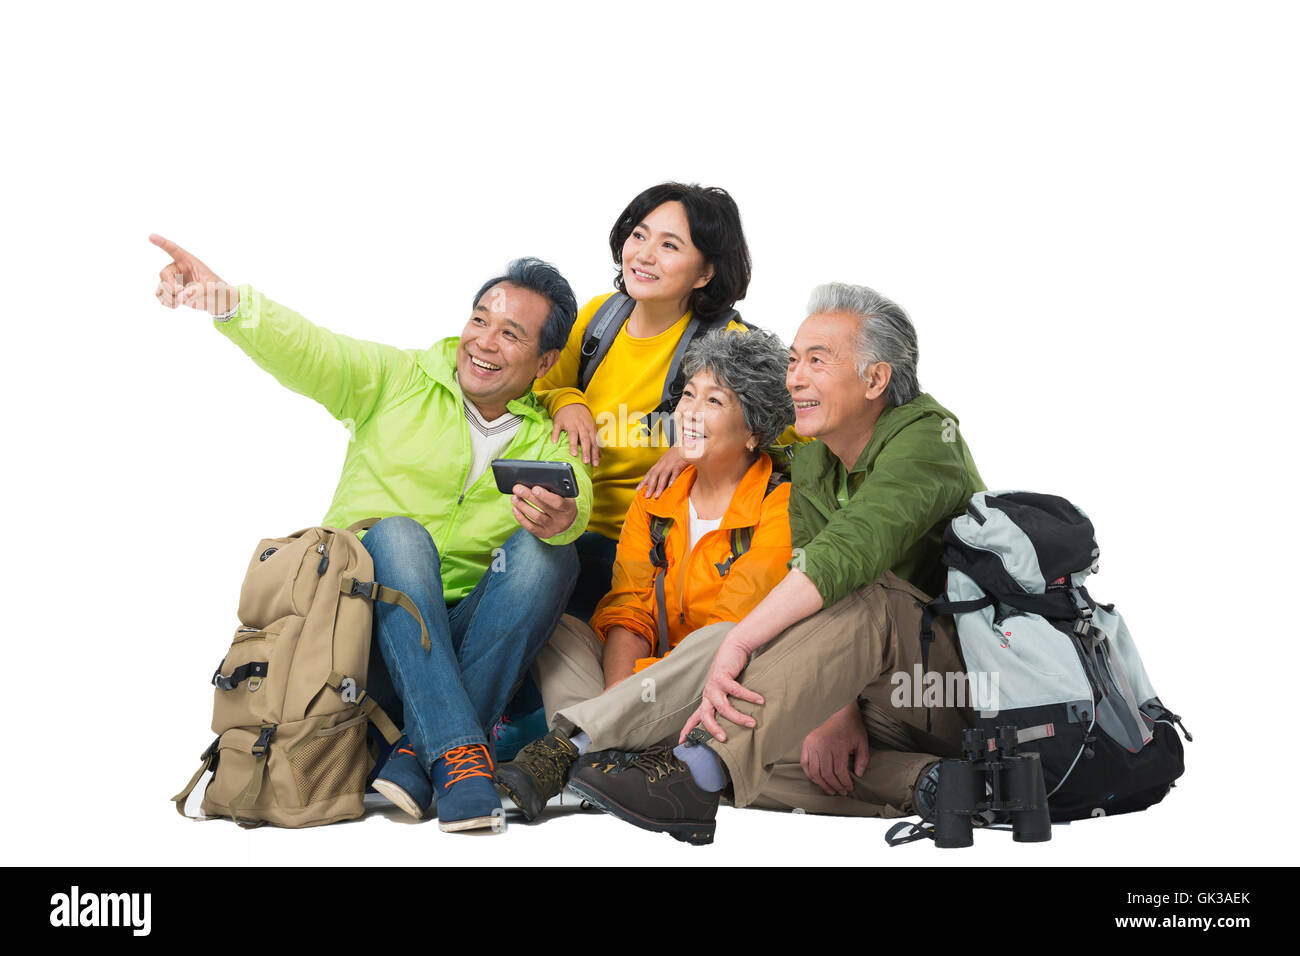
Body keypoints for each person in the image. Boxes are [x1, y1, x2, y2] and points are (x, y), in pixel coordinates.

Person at [493, 282, 984, 843]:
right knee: (737, 738)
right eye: (794, 361)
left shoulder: (925, 439)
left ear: (876, 379)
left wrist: (743, 645)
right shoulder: (814, 454)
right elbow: (629, 607)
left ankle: (582, 751)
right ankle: (626, 759)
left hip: (929, 687)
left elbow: (847, 553)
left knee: (788, 638)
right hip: (773, 684)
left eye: (815, 362)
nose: (795, 376)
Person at [151, 236, 592, 833]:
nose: (484, 342)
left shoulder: (549, 437)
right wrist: (230, 303)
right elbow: (311, 351)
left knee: (551, 555)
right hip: (358, 642)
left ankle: (421, 754)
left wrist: (564, 520)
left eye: (511, 334)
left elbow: (577, 498)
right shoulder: (398, 379)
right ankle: (459, 755)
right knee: (398, 536)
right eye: (480, 320)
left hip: (462, 646)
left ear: (544, 363)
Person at [494, 326, 795, 819]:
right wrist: (620, 695)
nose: (690, 414)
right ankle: (608, 753)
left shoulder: (778, 505)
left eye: (714, 402)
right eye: (688, 395)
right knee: (560, 627)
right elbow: (629, 608)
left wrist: (636, 692)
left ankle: (566, 751)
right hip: (646, 679)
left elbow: (734, 629)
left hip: (720, 686)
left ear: (754, 432)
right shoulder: (656, 496)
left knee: (723, 635)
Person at [533, 182, 756, 621]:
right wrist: (567, 400)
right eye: (639, 235)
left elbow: (784, 426)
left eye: (669, 245)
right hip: (558, 525)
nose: (644, 254)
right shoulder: (599, 318)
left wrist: (696, 446)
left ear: (705, 273)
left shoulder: (728, 345)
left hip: (647, 548)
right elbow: (537, 384)